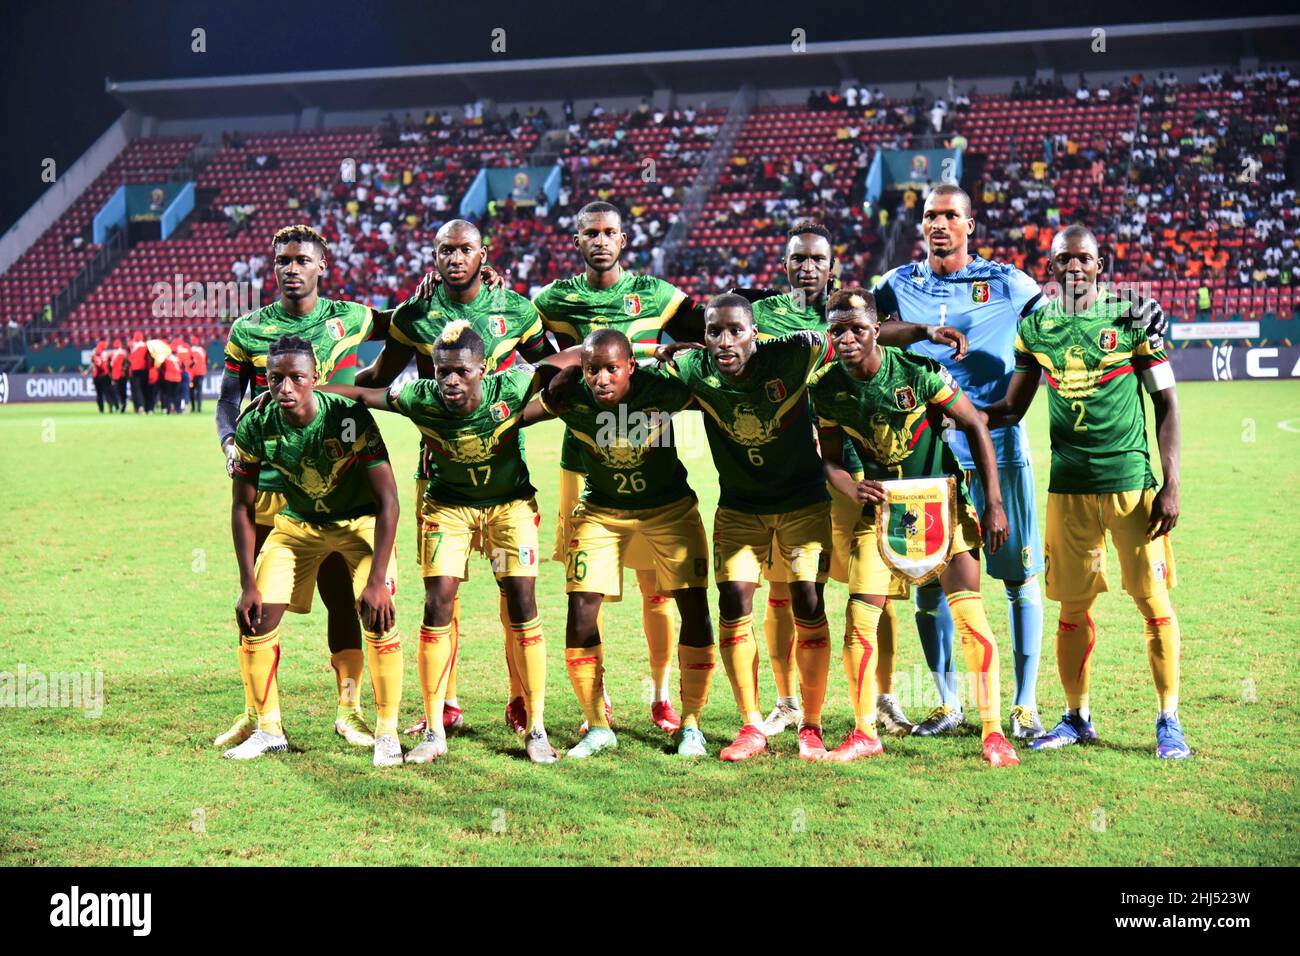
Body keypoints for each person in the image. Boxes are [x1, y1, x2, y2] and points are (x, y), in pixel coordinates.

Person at [729, 220, 968, 739]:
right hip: (790, 471)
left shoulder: (850, 311)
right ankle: (787, 701)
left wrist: (926, 331)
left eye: (818, 258)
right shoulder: (764, 315)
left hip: (855, 471)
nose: (808, 267)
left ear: (832, 267)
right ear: (785, 264)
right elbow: (722, 339)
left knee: (876, 592)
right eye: (798, 258)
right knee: (788, 590)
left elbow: (889, 330)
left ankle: (883, 698)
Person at [325, 321, 577, 764]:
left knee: (522, 602)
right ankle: (434, 730)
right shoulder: (421, 396)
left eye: (461, 371)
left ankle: (536, 728)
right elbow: (366, 395)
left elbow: (571, 358)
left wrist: (591, 367)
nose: (450, 381)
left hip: (508, 505)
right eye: (443, 372)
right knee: (437, 602)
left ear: (483, 369)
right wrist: (311, 390)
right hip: (448, 509)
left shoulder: (514, 384)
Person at [982, 225, 1188, 759]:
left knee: (1154, 605)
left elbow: (1166, 404)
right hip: (1069, 490)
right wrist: (960, 414)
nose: (1074, 267)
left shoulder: (1132, 319)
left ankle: (1169, 720)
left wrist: (1171, 485)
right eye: (1063, 260)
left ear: (1101, 265)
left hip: (1132, 486)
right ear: (1050, 269)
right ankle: (1077, 716)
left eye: (1084, 259)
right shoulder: (1037, 326)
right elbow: (1011, 407)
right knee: (1073, 610)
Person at [214, 224, 407, 752]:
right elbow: (228, 397)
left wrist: (372, 380)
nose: (291, 268)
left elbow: (406, 327)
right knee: (256, 602)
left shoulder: (350, 315)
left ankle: (350, 711)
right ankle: (258, 716)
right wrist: (231, 442)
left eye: (302, 259)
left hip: (337, 474)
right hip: (270, 479)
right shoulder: (249, 329)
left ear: (323, 264)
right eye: (282, 260)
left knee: (342, 601)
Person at [356, 219, 550, 736]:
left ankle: (520, 698)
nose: (456, 258)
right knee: (444, 590)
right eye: (446, 250)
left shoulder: (516, 309)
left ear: (483, 254)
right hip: (437, 471)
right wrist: (323, 392)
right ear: (434, 256)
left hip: (507, 468)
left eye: (466, 249)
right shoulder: (415, 314)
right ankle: (445, 703)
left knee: (515, 591)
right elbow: (378, 378)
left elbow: (548, 368)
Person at [810, 289, 1018, 766]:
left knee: (970, 618)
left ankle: (993, 732)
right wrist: (848, 487)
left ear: (876, 329)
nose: (846, 338)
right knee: (860, 620)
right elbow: (832, 461)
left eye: (857, 328)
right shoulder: (825, 388)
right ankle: (864, 731)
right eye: (836, 330)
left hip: (941, 505)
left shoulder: (916, 373)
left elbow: (976, 426)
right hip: (882, 512)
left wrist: (994, 504)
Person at [874, 184, 1047, 739]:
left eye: (951, 216)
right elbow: (865, 331)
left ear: (970, 225)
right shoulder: (899, 284)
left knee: (1017, 578)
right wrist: (921, 331)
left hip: (997, 450)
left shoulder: (1006, 281)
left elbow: (1049, 332)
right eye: (931, 216)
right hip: (923, 459)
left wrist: (1012, 402)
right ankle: (949, 704)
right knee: (929, 580)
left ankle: (1023, 706)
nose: (940, 225)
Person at [534, 201, 707, 736]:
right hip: (582, 456)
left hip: (651, 440)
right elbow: (532, 360)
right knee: (588, 588)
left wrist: (671, 351)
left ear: (624, 239)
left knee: (657, 588)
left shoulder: (657, 294)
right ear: (578, 239)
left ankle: (660, 696)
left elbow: (707, 336)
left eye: (610, 232)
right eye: (591, 233)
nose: (601, 241)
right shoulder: (553, 298)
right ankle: (598, 705)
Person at [654, 294, 835, 763]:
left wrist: (923, 332)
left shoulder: (794, 353)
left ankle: (810, 726)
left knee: (808, 603)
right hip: (739, 508)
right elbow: (630, 363)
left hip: (803, 502)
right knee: (734, 603)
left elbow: (859, 335)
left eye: (736, 330)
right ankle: (751, 723)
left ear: (756, 332)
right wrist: (659, 352)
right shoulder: (695, 367)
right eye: (715, 331)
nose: (725, 340)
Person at [538, 329, 716, 758]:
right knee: (581, 607)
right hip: (600, 511)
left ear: (630, 367)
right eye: (592, 369)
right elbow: (525, 397)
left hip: (670, 508)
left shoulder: (664, 389)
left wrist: (687, 351)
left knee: (692, 605)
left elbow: (714, 380)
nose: (601, 379)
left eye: (612, 369)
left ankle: (691, 723)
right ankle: (598, 725)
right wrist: (554, 378)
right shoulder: (569, 395)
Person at [128, 331, 148, 413]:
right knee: (144, 389)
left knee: (137, 389)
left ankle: (139, 407)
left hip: (134, 370)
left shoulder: (131, 344)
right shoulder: (146, 345)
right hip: (144, 369)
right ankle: (146, 407)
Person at [89, 341, 111, 413]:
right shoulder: (106, 354)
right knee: (107, 392)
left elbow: (93, 366)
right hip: (105, 376)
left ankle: (101, 410)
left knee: (99, 394)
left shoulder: (94, 353)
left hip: (97, 377)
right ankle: (110, 408)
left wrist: (90, 374)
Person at [108, 338, 129, 412]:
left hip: (115, 376)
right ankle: (123, 404)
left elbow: (109, 366)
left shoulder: (111, 354)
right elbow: (127, 363)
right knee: (122, 391)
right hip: (122, 376)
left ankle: (118, 406)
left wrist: (110, 376)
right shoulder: (124, 353)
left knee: (115, 392)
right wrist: (125, 371)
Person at [189, 338, 207, 413]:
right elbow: (206, 361)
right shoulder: (202, 350)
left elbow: (191, 362)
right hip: (201, 373)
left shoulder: (190, 350)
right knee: (199, 391)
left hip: (193, 374)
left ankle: (193, 408)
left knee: (191, 391)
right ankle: (199, 408)